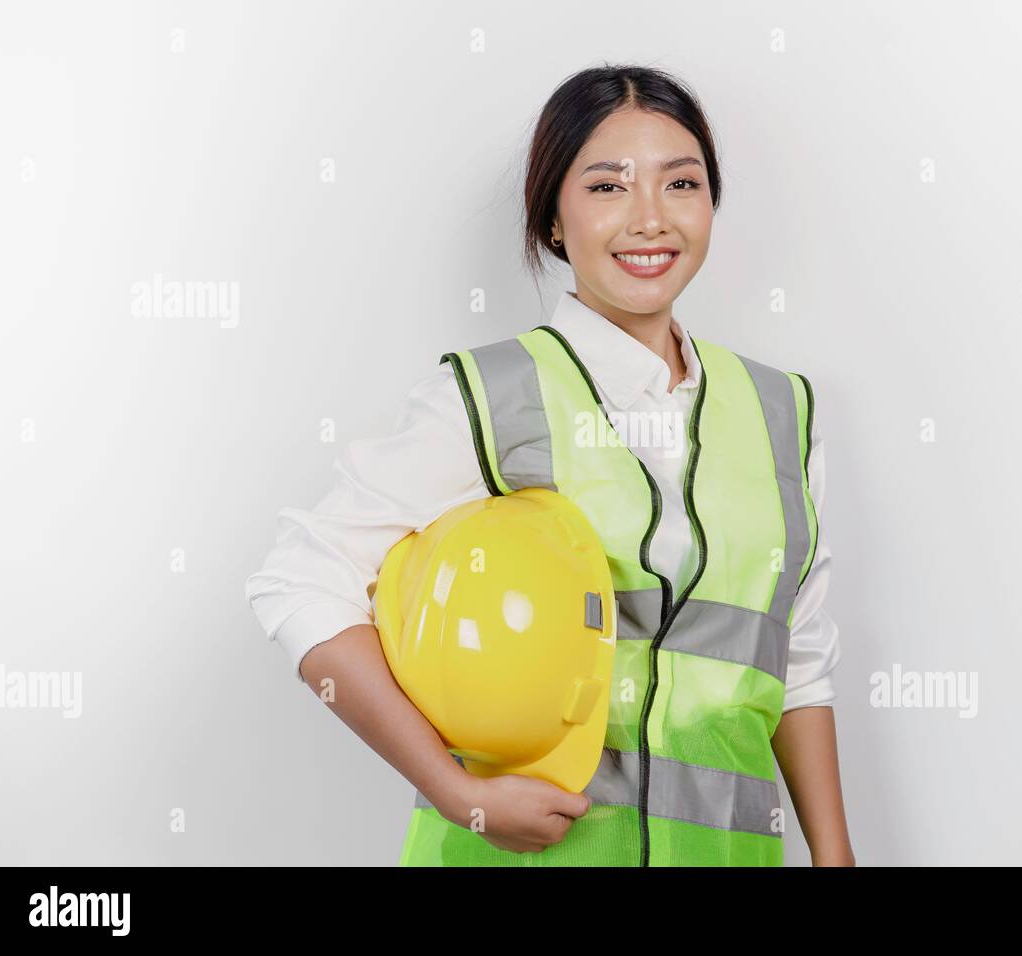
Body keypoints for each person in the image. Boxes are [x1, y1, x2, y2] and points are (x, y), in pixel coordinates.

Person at [245, 63, 855, 866]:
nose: (649, 219)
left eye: (682, 184)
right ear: (555, 221)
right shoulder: (492, 396)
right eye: (607, 187)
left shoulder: (782, 412)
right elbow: (299, 579)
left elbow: (796, 663)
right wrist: (461, 797)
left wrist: (835, 856)